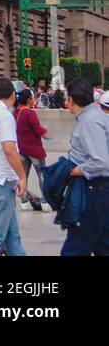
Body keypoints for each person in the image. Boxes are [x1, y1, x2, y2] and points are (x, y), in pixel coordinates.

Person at [62, 78, 109, 255]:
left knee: (75, 248)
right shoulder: (95, 116)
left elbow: (100, 161)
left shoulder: (89, 121)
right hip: (100, 190)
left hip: (93, 190)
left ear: (72, 100)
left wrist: (73, 170)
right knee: (103, 245)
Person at [0, 77, 26, 256]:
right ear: (12, 95)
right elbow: (9, 149)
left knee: (11, 234)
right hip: (1, 180)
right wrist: (22, 176)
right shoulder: (5, 116)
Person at [15, 88, 49, 212]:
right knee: (42, 175)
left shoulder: (15, 112)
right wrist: (45, 132)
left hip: (21, 148)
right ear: (29, 99)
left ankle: (24, 202)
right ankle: (45, 202)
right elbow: (37, 129)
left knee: (23, 176)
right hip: (34, 149)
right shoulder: (29, 113)